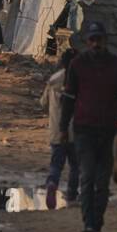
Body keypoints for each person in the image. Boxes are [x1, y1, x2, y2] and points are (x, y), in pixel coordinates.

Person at [58, 20, 117, 232]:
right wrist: (63, 127)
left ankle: (95, 223)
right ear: (87, 41)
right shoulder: (78, 65)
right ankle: (88, 223)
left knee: (102, 181)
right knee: (87, 177)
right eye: (92, 40)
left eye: (99, 39)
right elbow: (69, 98)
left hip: (108, 130)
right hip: (84, 130)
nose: (95, 44)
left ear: (104, 40)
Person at [40, 48, 80, 209]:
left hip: (56, 131)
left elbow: (43, 103)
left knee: (56, 164)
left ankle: (52, 183)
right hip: (76, 132)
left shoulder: (54, 79)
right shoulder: (81, 80)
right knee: (76, 165)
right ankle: (71, 194)